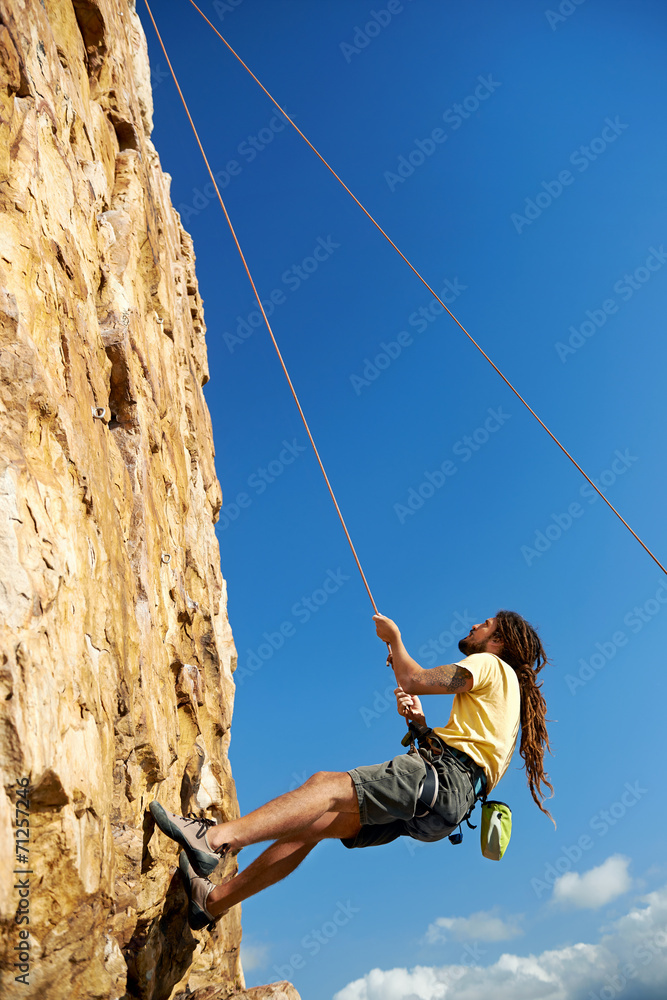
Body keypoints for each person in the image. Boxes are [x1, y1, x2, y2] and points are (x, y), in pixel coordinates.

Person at [149, 610, 554, 930]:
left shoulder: (489, 665)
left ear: (497, 641)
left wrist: (394, 640)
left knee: (324, 786)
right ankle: (213, 902)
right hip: (445, 811)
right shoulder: (511, 700)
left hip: (440, 780)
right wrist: (419, 727)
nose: (474, 625)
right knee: (317, 824)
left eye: (484, 624)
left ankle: (214, 838)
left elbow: (413, 679)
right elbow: (471, 762)